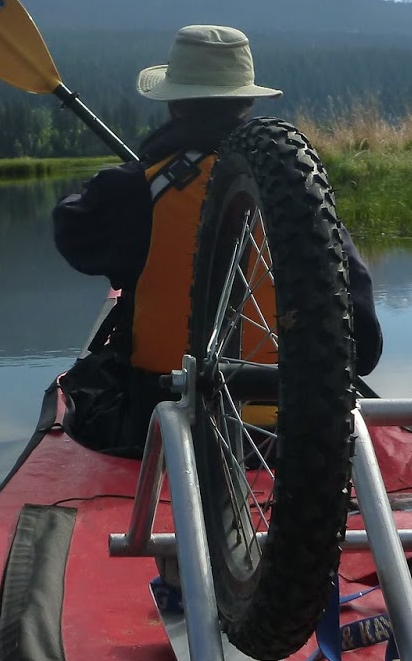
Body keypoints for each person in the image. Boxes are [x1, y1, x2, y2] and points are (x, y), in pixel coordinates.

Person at [52, 24, 383, 456]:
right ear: (246, 102)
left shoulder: (134, 189)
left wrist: (129, 180)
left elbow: (74, 232)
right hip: (299, 435)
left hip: (164, 424)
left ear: (173, 104)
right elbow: (364, 343)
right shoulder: (297, 193)